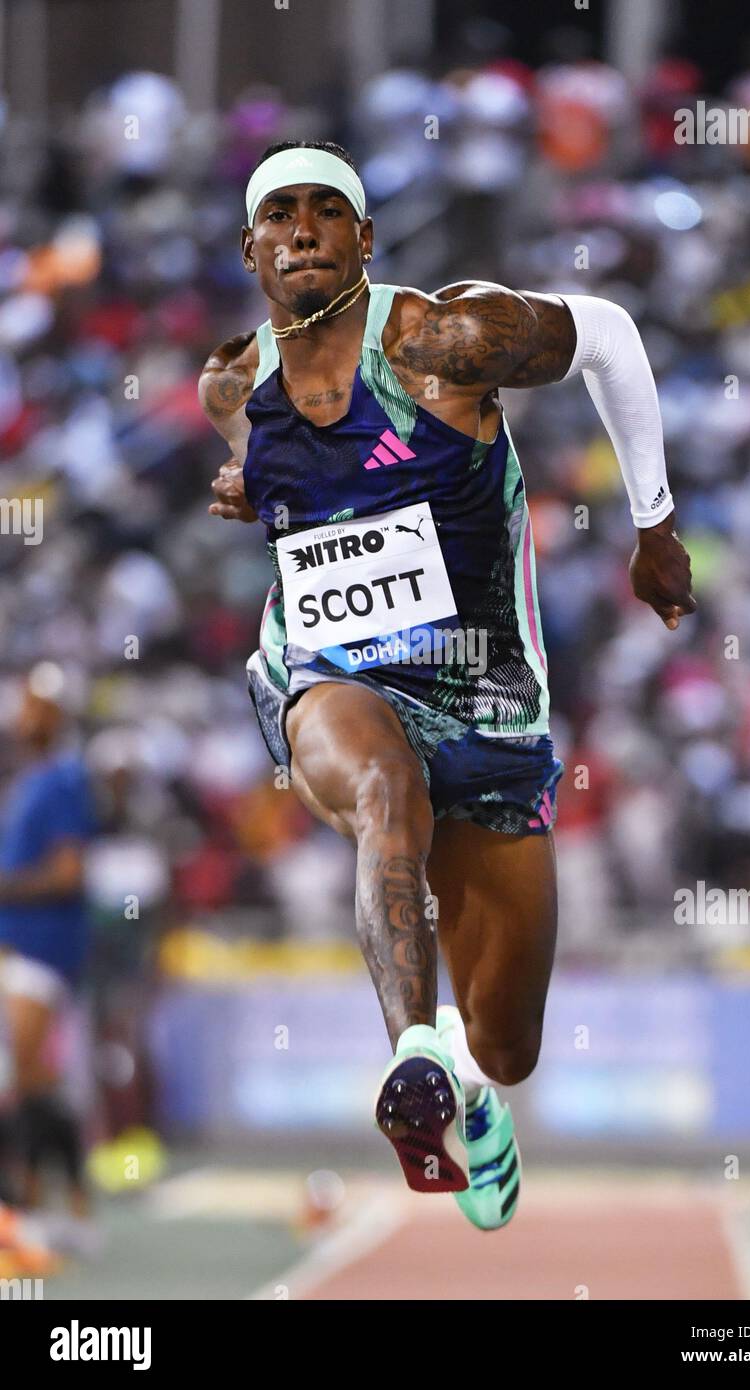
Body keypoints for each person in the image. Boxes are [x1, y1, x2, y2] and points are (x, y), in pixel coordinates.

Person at [199, 140, 695, 1230]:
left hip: (485, 700)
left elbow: (606, 334)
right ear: (250, 250)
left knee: (509, 1041)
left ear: (364, 239)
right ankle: (414, 1058)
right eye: (277, 214)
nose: (301, 230)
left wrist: (652, 527)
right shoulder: (233, 386)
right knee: (382, 787)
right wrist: (250, 485)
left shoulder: (442, 338)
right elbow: (275, 476)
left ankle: (469, 1086)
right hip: (332, 675)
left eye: (327, 211)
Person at [0, 663, 97, 1220]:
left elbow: (68, 873)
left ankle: (44, 1204)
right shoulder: (32, 777)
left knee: (32, 1074)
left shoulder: (61, 779)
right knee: (34, 1076)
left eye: (34, 702)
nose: (22, 711)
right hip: (24, 946)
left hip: (44, 946)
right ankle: (61, 1201)